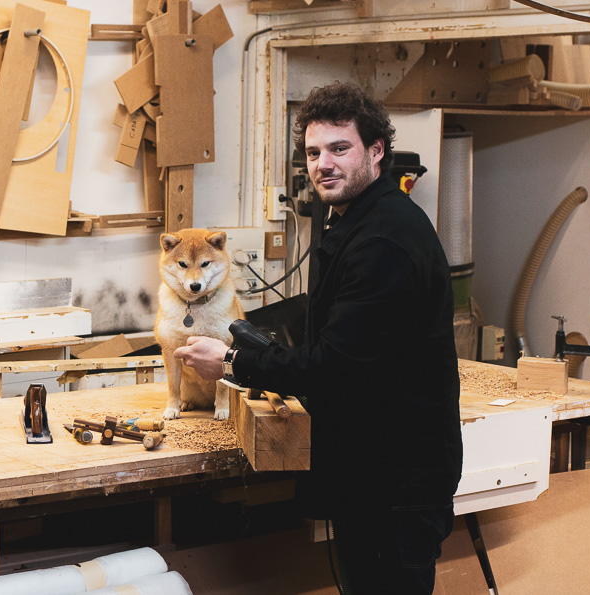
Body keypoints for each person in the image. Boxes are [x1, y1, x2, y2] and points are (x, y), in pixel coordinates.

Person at [174, 81, 463, 593]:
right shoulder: (357, 222)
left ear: (376, 153)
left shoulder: (383, 242)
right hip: (373, 469)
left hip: (396, 478)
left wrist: (235, 362)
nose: (322, 164)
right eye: (313, 152)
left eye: (339, 148)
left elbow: (334, 366)